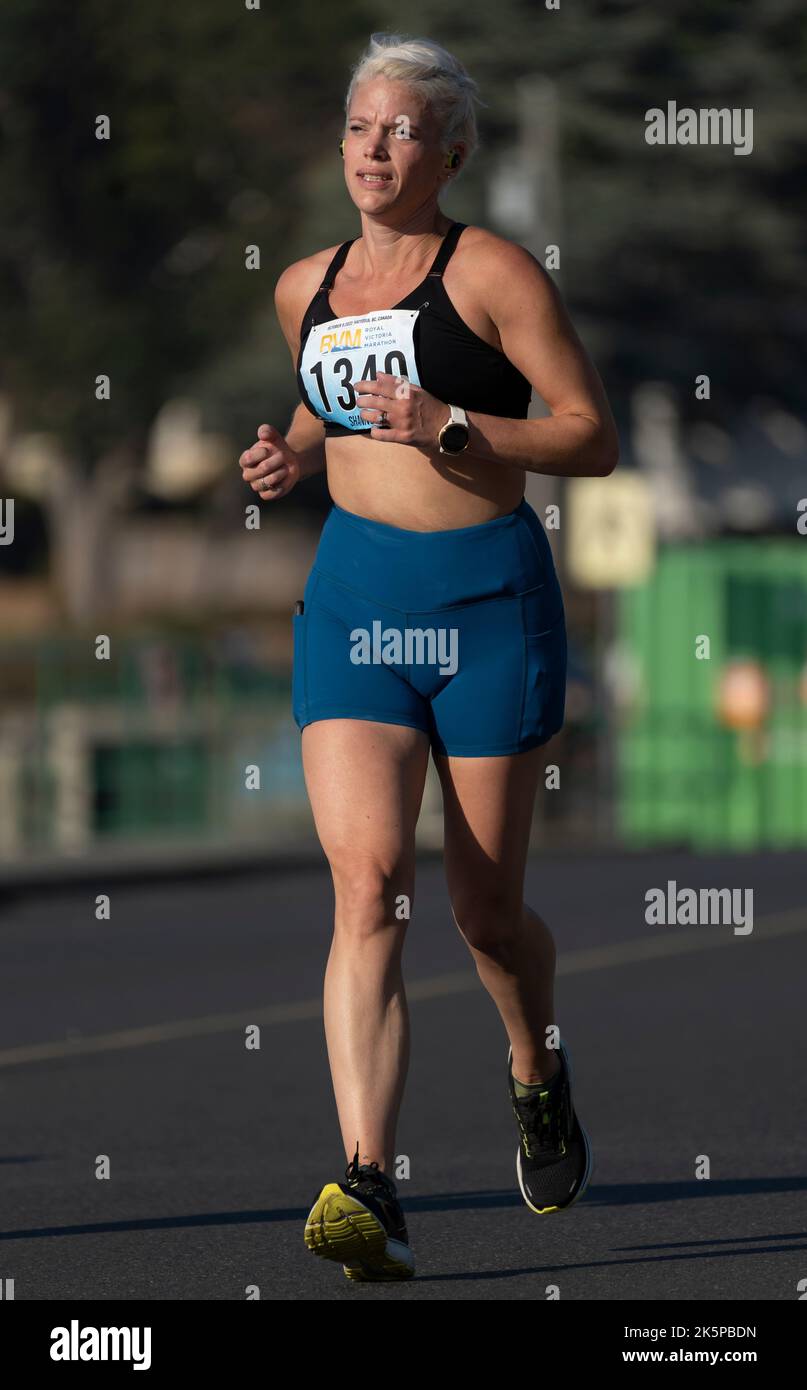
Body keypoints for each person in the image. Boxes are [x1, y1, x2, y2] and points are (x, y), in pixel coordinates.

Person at [239, 32, 618, 1283]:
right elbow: (318, 397)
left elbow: (588, 436)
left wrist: (456, 424)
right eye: (359, 128)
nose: (374, 150)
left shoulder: (494, 273)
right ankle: (368, 1180)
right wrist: (291, 451)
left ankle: (535, 1067)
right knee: (368, 886)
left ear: (449, 152)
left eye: (402, 131)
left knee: (485, 915)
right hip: (353, 599)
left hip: (485, 603)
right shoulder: (304, 283)